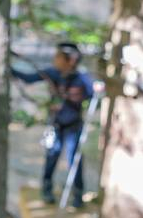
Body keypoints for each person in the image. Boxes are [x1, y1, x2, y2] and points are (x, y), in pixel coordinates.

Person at [13, 41, 96, 206]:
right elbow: (29, 78)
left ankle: (78, 194)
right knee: (52, 156)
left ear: (70, 60)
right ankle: (47, 189)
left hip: (74, 125)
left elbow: (93, 93)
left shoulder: (81, 78)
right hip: (56, 124)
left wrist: (94, 90)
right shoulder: (52, 73)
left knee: (74, 159)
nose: (55, 59)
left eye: (59, 56)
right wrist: (9, 69)